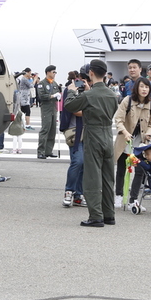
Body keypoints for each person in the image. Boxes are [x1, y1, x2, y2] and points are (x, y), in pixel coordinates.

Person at [64, 59, 119, 227]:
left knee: (92, 177)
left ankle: (96, 216)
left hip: (93, 134)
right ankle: (109, 214)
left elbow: (69, 105)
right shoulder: (112, 95)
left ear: (91, 73)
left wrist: (73, 91)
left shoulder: (88, 95)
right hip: (108, 135)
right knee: (108, 177)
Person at [112, 77, 151, 208]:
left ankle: (133, 200)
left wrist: (149, 133)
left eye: (147, 87)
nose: (144, 89)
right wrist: (125, 132)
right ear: (137, 88)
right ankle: (119, 195)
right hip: (125, 140)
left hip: (141, 142)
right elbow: (118, 119)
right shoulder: (128, 100)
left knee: (140, 170)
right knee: (121, 169)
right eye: (142, 86)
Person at [59, 71, 86, 208]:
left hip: (89, 131)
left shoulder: (91, 90)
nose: (81, 82)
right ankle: (69, 191)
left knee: (84, 164)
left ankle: (78, 195)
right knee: (78, 161)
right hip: (75, 132)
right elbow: (74, 109)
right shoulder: (70, 90)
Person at [35, 65, 62, 159]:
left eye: (55, 72)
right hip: (46, 108)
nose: (54, 74)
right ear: (48, 72)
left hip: (53, 108)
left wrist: (58, 96)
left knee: (52, 130)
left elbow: (58, 92)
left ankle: (48, 151)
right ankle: (41, 151)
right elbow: (41, 96)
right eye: (53, 72)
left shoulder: (54, 83)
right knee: (45, 130)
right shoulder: (42, 83)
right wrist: (52, 96)